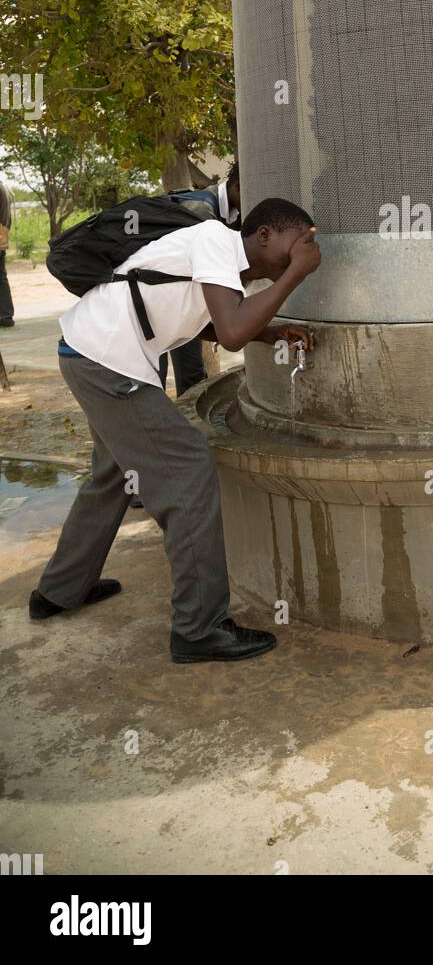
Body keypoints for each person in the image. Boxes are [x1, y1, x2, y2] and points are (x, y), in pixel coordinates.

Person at [29, 198, 320, 664]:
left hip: (88, 353)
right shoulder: (214, 240)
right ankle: (199, 627)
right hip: (106, 363)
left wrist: (269, 333)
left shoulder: (218, 257)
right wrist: (296, 274)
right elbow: (229, 332)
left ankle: (59, 591)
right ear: (264, 234)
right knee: (187, 470)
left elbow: (197, 318)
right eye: (298, 241)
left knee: (113, 477)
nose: (305, 249)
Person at [159, 162, 242, 396]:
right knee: (153, 381)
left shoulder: (232, 213)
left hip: (183, 306)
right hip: (160, 301)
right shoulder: (201, 210)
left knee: (192, 376)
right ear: (237, 186)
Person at [0, 174, 14, 327]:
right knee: (1, 277)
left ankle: (6, 315)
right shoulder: (4, 188)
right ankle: (6, 315)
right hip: (2, 236)